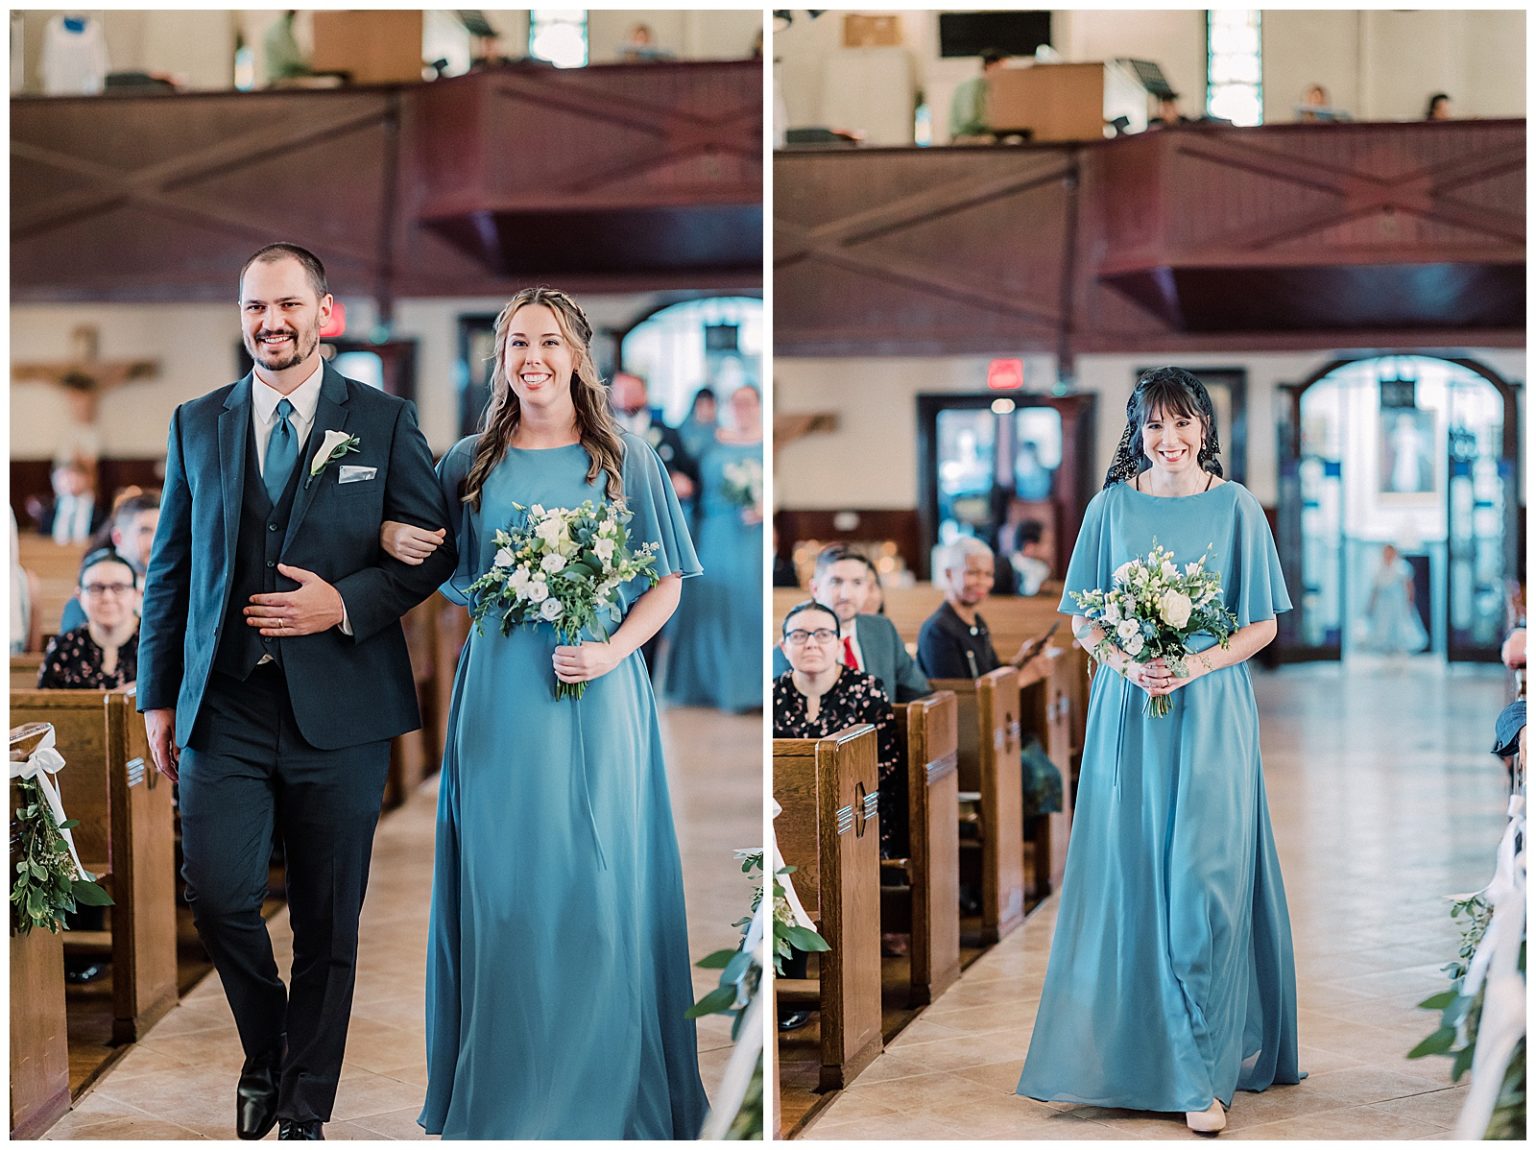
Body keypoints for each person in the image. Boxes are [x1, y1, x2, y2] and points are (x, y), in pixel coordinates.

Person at [136, 243, 458, 1141]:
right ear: (241, 318)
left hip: (342, 711)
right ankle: (270, 1051)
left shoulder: (385, 420)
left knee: (328, 925)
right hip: (225, 703)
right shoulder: (196, 421)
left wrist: (342, 604)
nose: (269, 323)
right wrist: (156, 697)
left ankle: (303, 1110)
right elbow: (169, 572)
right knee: (220, 897)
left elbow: (435, 553)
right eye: (253, 309)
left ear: (324, 312)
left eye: (286, 305)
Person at [379, 287, 708, 1138]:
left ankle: (606, 1088)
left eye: (548, 342)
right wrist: (396, 545)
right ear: (501, 359)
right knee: (506, 886)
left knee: (598, 883)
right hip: (500, 692)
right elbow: (440, 565)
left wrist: (608, 650)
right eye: (516, 342)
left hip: (600, 691)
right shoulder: (467, 463)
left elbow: (668, 582)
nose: (532, 356)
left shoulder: (625, 458)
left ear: (576, 356)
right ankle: (505, 1094)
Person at [1015, 366, 1303, 1135]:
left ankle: (1199, 1071)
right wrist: (1126, 661)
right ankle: (1143, 1059)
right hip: (1129, 712)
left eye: (1182, 424)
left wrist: (1196, 663)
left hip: (1210, 712)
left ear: (1204, 427)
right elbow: (1082, 619)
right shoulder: (1110, 508)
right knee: (1134, 879)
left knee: (1201, 883)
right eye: (1154, 426)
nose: (1168, 440)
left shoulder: (1237, 507)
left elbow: (1264, 623)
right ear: (1136, 433)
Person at [772, 601, 903, 856]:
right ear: (784, 647)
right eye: (799, 635)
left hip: (857, 819)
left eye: (822, 634)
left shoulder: (867, 688)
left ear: (839, 644)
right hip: (787, 817)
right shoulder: (774, 692)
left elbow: (887, 769)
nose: (811, 643)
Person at [665, 384, 764, 713]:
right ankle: (710, 685)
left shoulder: (767, 442)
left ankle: (750, 688)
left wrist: (766, 508)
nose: (742, 408)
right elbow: (681, 467)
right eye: (736, 402)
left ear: (759, 405)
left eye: (748, 402)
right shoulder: (709, 439)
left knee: (748, 608)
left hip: (751, 535)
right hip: (712, 530)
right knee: (712, 606)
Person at [771, 544, 930, 703]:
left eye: (857, 583)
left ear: (867, 589)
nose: (846, 594)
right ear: (815, 588)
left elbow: (918, 692)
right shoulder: (790, 648)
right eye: (836, 582)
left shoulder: (882, 630)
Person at [59, 490, 160, 633]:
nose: (156, 542)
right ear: (118, 537)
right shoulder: (89, 595)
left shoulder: (177, 587)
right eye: (145, 531)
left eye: (162, 532)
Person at [40, 547, 141, 689]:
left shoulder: (157, 643)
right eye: (96, 588)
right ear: (79, 596)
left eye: (118, 588)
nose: (107, 597)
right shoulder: (64, 647)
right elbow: (43, 706)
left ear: (137, 594)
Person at [1360, 543, 1428, 655]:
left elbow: (1409, 587)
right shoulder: (1378, 569)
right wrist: (1370, 606)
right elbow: (1375, 591)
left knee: (1401, 628)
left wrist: (1409, 603)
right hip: (1382, 606)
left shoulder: (1402, 567)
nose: (1388, 554)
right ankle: (1387, 651)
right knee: (1382, 629)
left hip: (1398, 604)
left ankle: (1399, 652)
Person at [35, 458, 105, 543]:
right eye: (65, 478)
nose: (70, 482)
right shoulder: (49, 513)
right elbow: (42, 539)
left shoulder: (99, 513)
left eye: (76, 477)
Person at [949, 48, 1009, 143]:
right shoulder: (972, 87)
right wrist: (998, 124)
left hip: (978, 135)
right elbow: (968, 119)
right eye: (1002, 67)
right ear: (990, 65)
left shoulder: (988, 86)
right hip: (965, 137)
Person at [679, 386, 719, 463]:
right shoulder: (683, 430)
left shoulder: (720, 432)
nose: (705, 411)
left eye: (709, 405)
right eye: (701, 405)